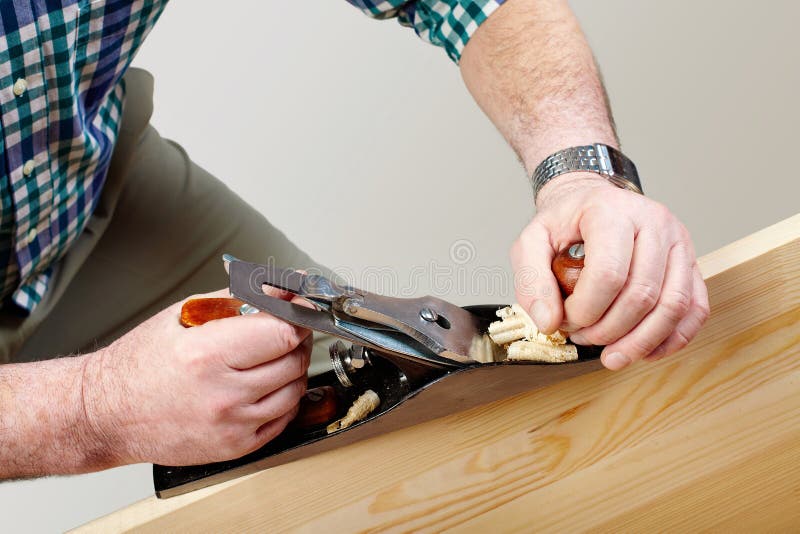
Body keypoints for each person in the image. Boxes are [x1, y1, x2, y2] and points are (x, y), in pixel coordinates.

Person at [0, 0, 709, 479]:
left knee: (369, 434)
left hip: (73, 183)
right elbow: (96, 409)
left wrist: (580, 171)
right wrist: (94, 409)